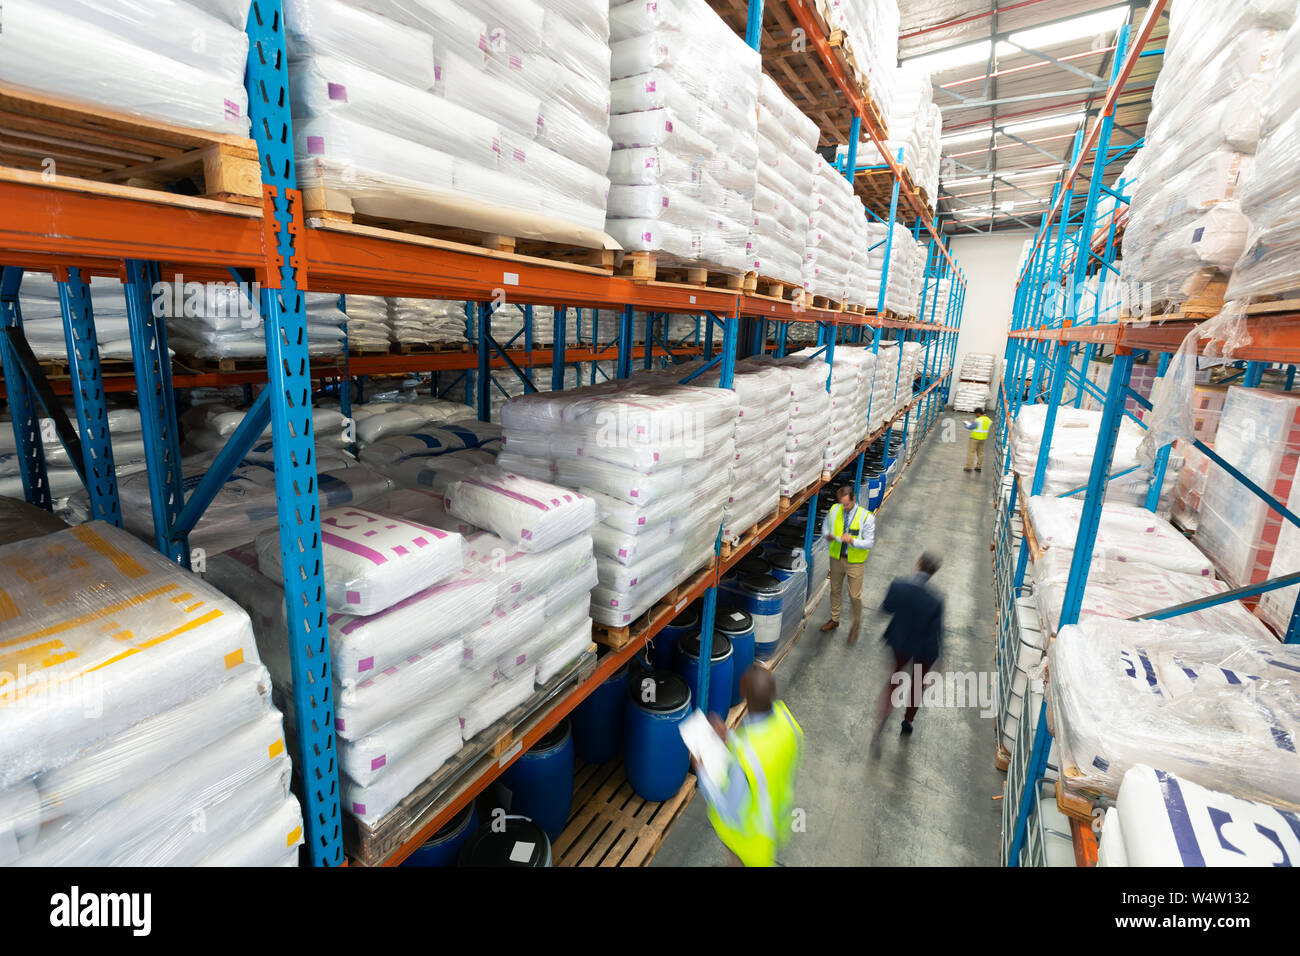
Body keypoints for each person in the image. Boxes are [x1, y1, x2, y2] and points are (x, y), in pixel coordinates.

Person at [695, 665, 804, 867]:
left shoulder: (745, 764)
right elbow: (767, 747)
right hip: (775, 820)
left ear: (745, 695)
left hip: (749, 839)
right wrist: (729, 737)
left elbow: (729, 810)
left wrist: (702, 770)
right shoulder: (785, 720)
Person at [874, 552, 945, 743]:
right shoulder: (936, 599)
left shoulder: (899, 585)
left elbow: (887, 608)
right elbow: (938, 631)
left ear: (918, 563)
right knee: (917, 686)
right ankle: (908, 721)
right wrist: (941, 661)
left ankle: (881, 724)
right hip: (925, 648)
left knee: (895, 680)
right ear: (933, 572)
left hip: (902, 641)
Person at [819, 484, 875, 643]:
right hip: (836, 558)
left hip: (855, 562)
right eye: (842, 504)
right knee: (835, 590)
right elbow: (825, 528)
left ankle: (855, 625)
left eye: (847, 504)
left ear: (854, 499)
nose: (844, 507)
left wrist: (852, 541)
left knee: (854, 596)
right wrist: (827, 536)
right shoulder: (835, 510)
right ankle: (834, 619)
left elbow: (869, 543)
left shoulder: (866, 517)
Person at [963, 407, 992, 473]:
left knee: (971, 452)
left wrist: (965, 424)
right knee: (980, 453)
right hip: (983, 439)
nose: (975, 415)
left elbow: (971, 427)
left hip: (975, 438)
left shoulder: (978, 420)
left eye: (976, 414)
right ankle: (979, 467)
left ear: (978, 413)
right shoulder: (988, 420)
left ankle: (969, 467)